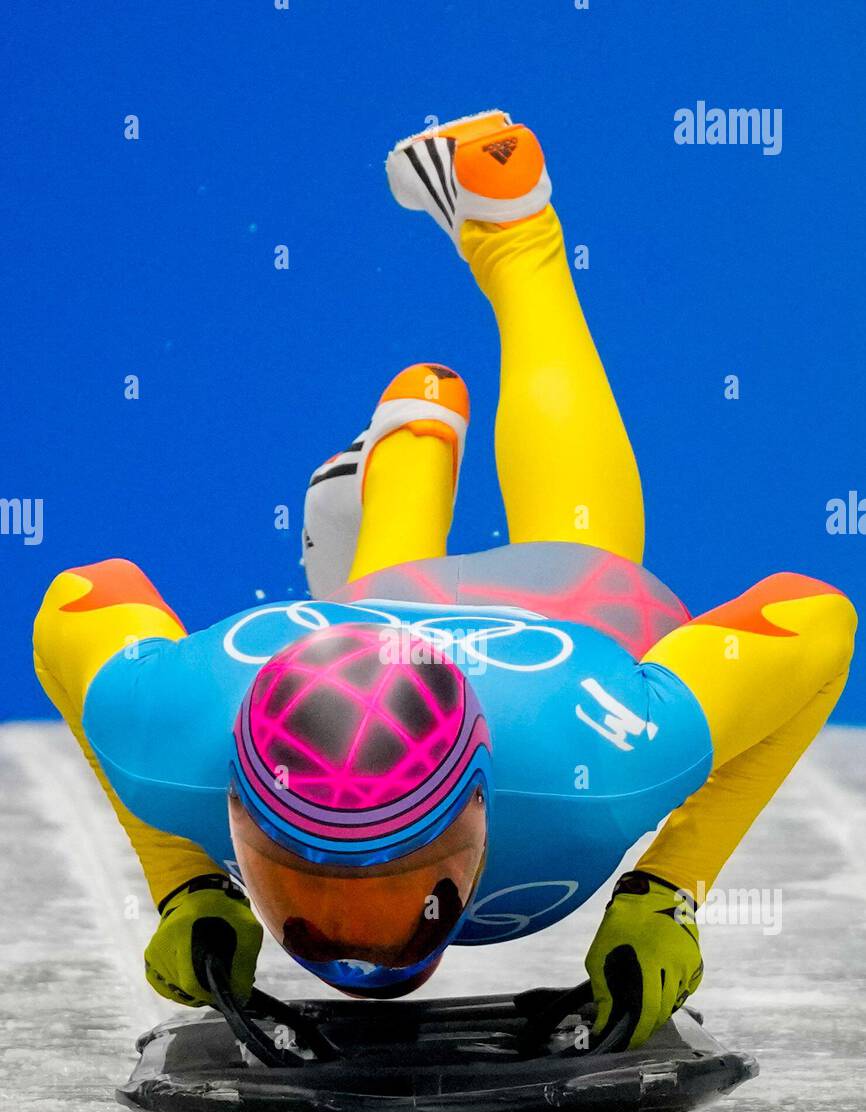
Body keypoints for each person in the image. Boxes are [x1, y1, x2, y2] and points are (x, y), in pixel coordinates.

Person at [34, 111, 856, 1045]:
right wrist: (665, 891)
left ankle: (460, 349)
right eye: (305, 879)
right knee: (423, 586)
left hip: (545, 607)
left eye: (388, 882)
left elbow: (81, 596)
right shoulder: (601, 769)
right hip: (418, 614)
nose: (355, 943)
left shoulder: (599, 767)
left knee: (548, 548)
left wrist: (183, 881)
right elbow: (811, 612)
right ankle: (457, 348)